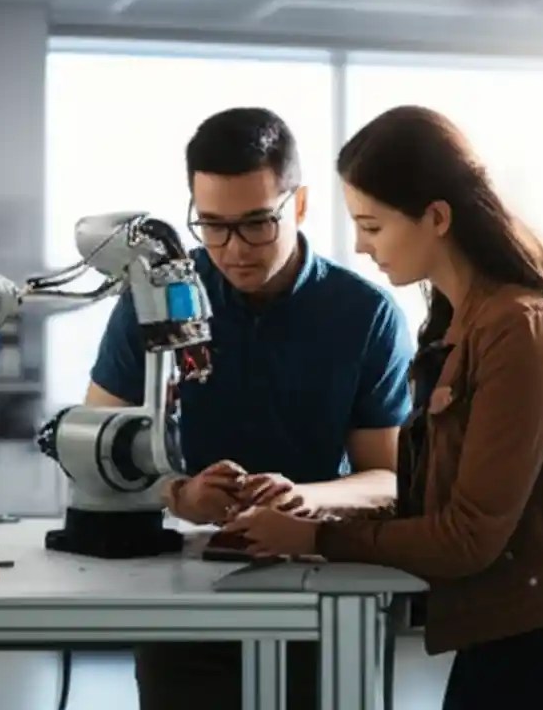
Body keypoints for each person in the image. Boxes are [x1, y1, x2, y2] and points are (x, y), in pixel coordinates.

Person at [224, 105, 543, 710]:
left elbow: (469, 535)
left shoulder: (520, 328)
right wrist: (310, 504)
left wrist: (316, 536)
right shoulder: (456, 321)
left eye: (372, 226)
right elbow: (441, 498)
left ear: (438, 218)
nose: (360, 246)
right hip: (508, 632)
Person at [86, 107, 415, 710]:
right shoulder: (157, 299)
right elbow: (96, 445)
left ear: (300, 204)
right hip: (183, 597)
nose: (233, 250)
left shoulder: (364, 315)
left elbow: (390, 477)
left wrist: (303, 497)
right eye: (212, 226)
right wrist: (177, 492)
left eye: (257, 224)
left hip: (322, 592)